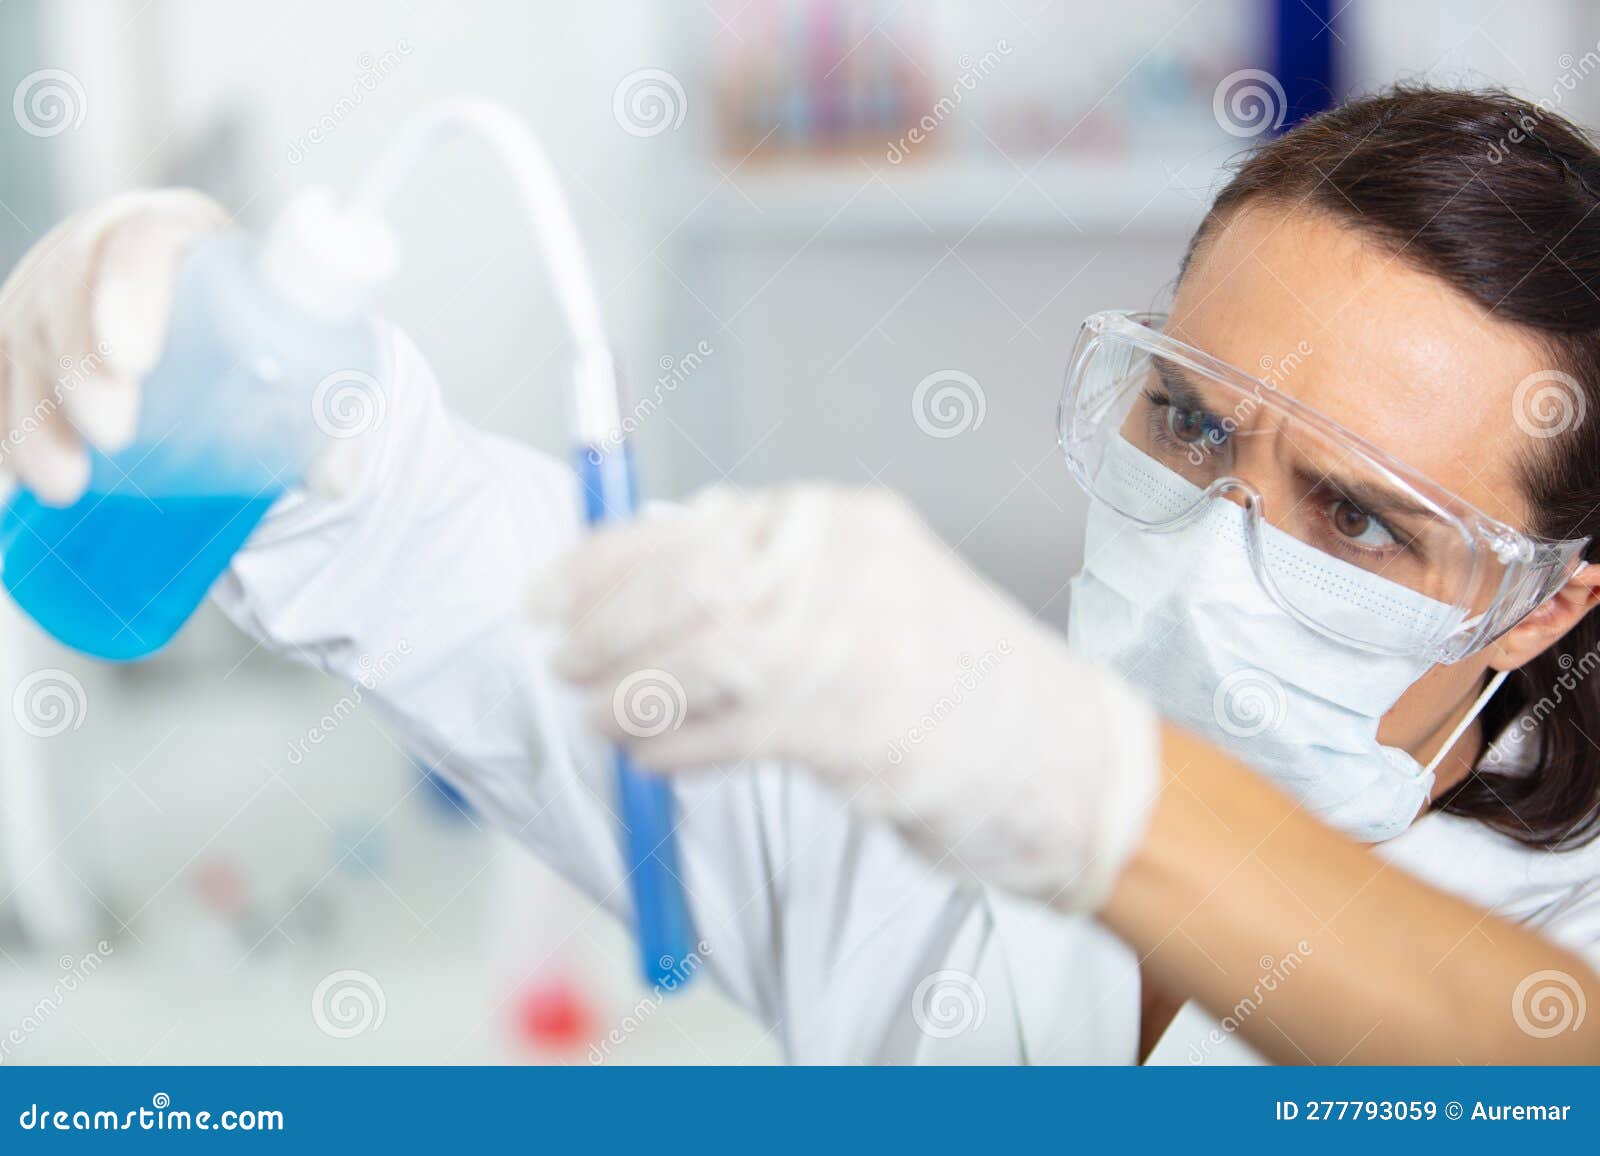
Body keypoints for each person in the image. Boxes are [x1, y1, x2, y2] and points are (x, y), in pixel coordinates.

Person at [4, 86, 1600, 1064]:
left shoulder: (1555, 948)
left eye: (1362, 520)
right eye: (1187, 422)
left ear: (1542, 608)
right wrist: (260, 383)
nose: (1213, 553)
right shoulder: (919, 760)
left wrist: (1091, 792)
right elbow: (452, 565)